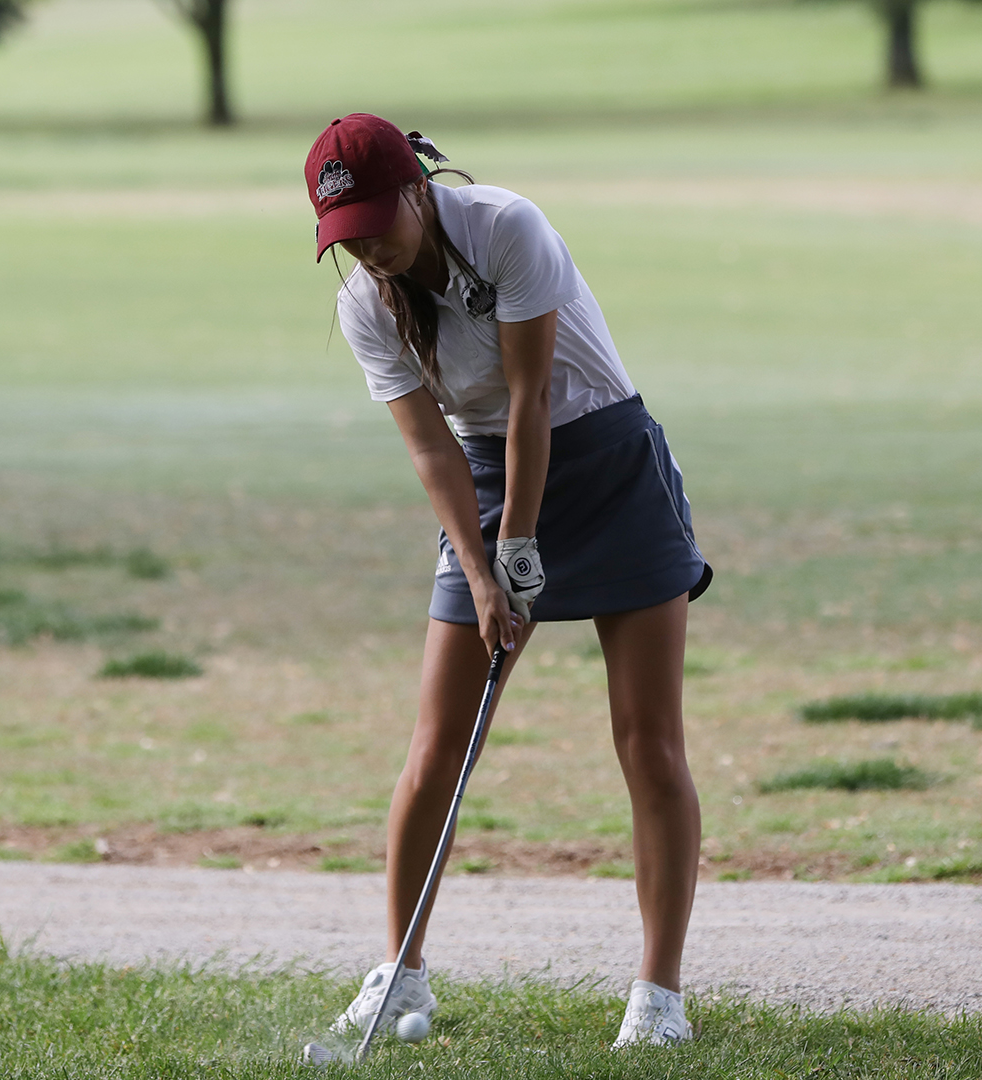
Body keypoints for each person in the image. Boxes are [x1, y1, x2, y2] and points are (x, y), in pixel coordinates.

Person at [304, 113, 713, 1048]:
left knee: (649, 742)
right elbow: (432, 449)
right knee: (439, 747)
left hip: (606, 463)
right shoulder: (365, 304)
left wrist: (519, 548)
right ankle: (401, 973)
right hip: (486, 477)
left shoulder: (506, 227)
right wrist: (483, 571)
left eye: (377, 223)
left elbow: (531, 397)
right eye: (345, 236)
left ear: (417, 189)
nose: (367, 249)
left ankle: (658, 997)